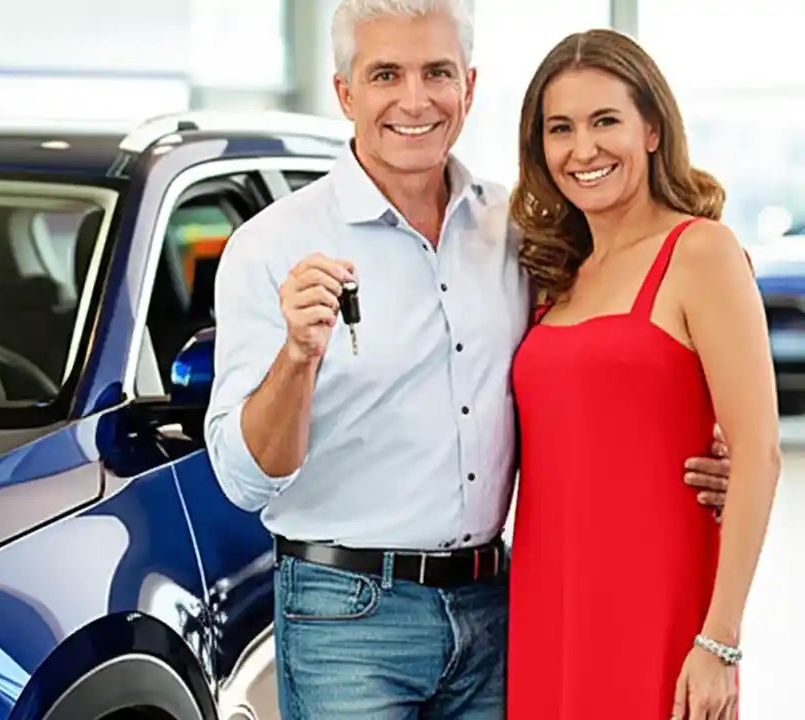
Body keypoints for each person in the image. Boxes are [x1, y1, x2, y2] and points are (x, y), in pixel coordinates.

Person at [203, 1, 733, 718]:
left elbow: (603, 358)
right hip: (348, 619)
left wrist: (700, 442)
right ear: (345, 92)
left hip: (498, 606)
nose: (414, 99)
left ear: (470, 87)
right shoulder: (271, 248)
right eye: (386, 73)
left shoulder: (520, 232)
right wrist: (297, 357)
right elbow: (242, 479)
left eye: (437, 73)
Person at [506, 28, 780, 720]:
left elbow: (758, 453)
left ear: (652, 129)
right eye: (560, 128)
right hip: (548, 607)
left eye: (606, 121)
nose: (583, 149)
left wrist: (720, 640)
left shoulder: (701, 252)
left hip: (659, 610)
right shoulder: (556, 273)